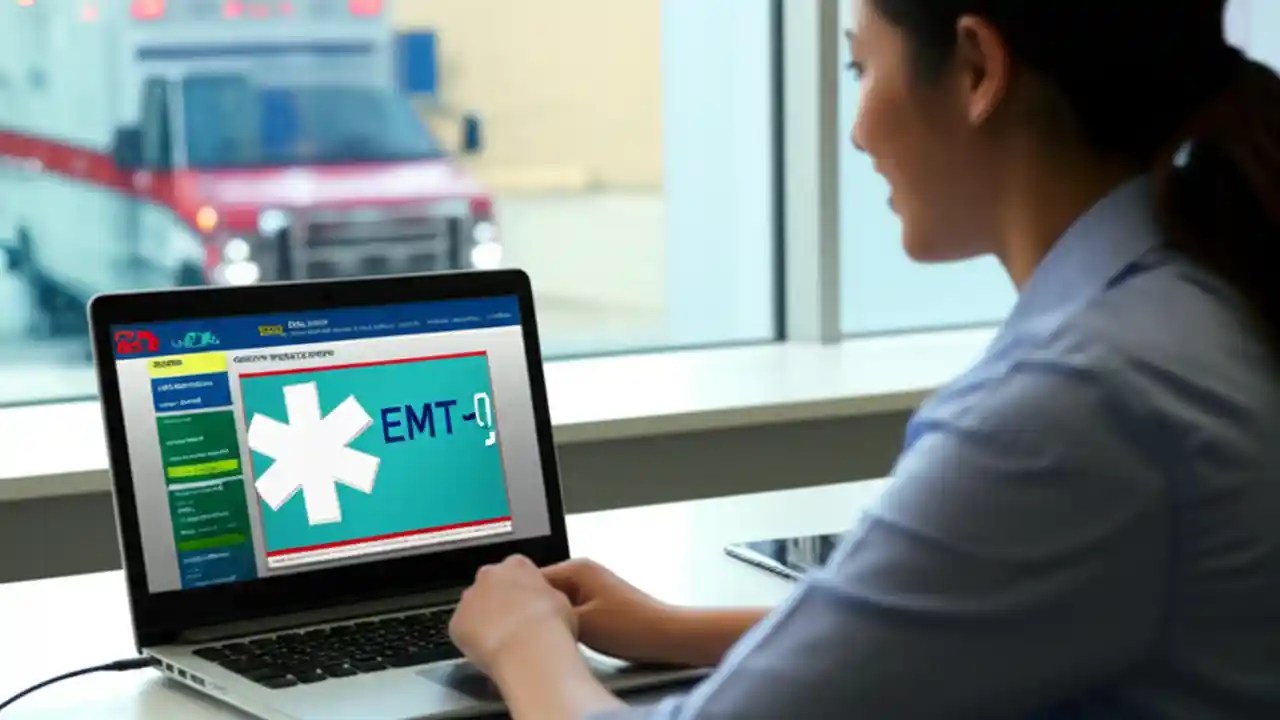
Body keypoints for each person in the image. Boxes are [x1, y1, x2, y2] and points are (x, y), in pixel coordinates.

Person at [448, 0, 1280, 717]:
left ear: (978, 67)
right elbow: (977, 630)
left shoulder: (1077, 401)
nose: (856, 128)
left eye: (858, 69)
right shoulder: (1200, 295)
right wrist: (673, 628)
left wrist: (523, 635)